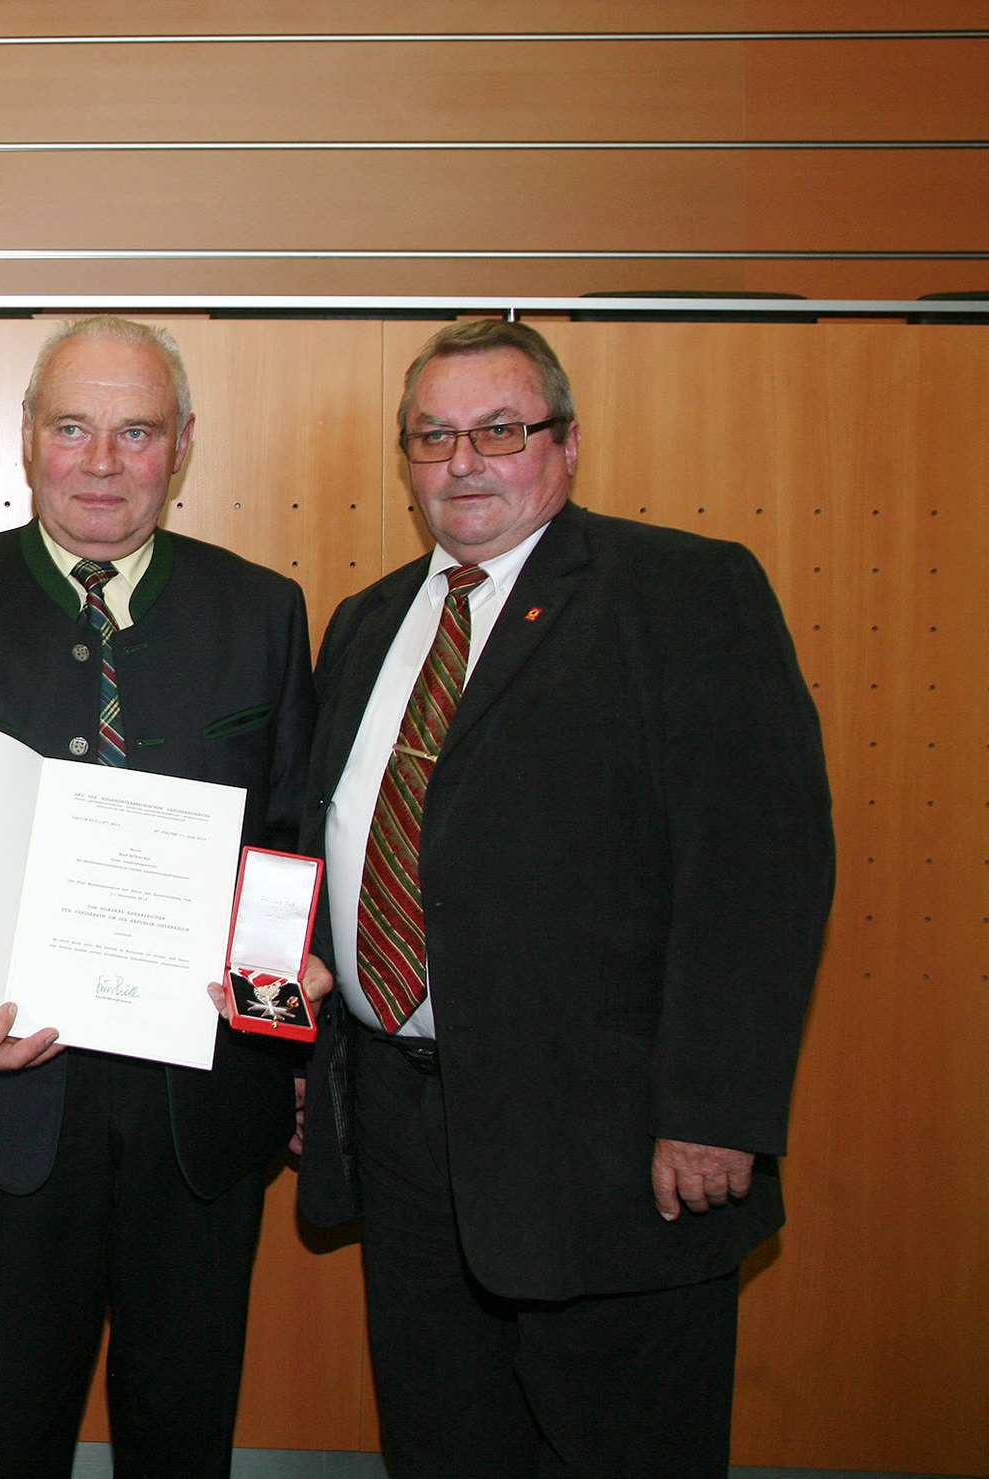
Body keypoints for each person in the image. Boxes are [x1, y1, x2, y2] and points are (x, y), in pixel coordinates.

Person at [296, 318, 834, 1476]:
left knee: (620, 1448)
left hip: (606, 1149)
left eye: (500, 429)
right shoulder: (365, 623)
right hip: (400, 1129)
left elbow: (759, 870)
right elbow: (332, 852)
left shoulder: (680, 592)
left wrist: (713, 1111)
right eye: (431, 436)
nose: (462, 462)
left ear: (567, 442)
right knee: (441, 1444)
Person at [0, 316, 317, 1478]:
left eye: (135, 431)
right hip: (9, 1102)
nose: (102, 461)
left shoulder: (259, 611)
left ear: (181, 447)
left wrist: (280, 1015)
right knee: (14, 1439)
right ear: (26, 440)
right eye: (72, 428)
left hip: (205, 1114)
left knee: (182, 1441)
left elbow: (286, 844)